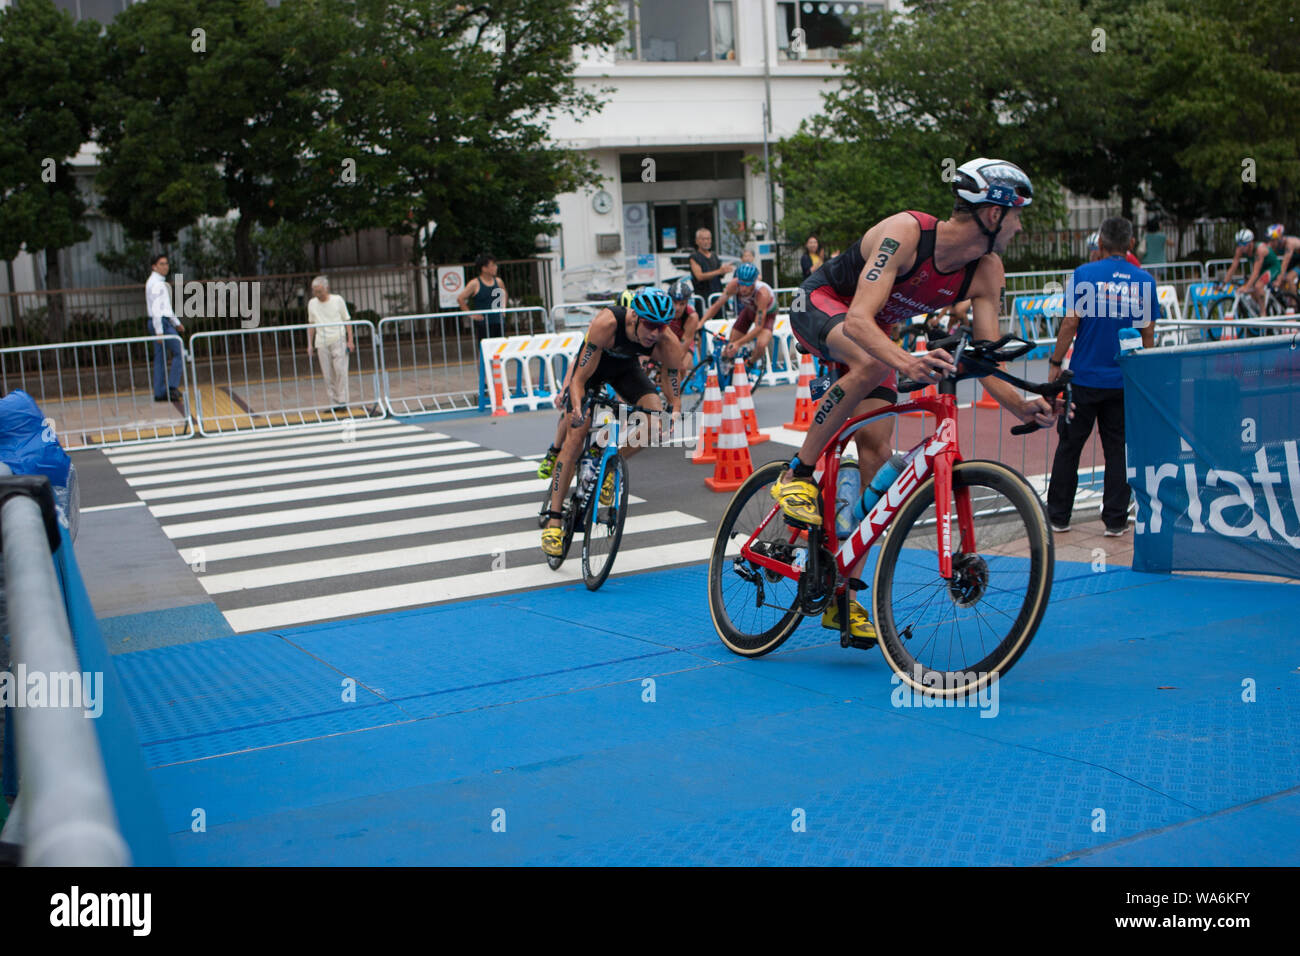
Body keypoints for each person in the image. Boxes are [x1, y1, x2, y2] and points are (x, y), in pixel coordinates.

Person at [774, 158, 1063, 642]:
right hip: (822, 304)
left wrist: (1021, 404)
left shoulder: (987, 270)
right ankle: (796, 476)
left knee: (877, 456)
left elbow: (987, 358)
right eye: (1017, 215)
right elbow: (862, 319)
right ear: (992, 215)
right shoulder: (906, 233)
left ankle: (842, 595)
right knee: (874, 363)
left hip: (874, 335)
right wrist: (907, 361)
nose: (1019, 225)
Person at [541, 288, 688, 556]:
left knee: (654, 427)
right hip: (593, 370)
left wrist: (674, 408)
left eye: (662, 327)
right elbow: (578, 379)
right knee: (574, 438)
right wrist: (577, 407)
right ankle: (553, 519)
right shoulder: (606, 323)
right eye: (650, 325)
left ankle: (610, 465)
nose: (655, 333)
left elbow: (671, 377)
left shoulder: (666, 341)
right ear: (634, 316)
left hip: (626, 371)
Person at [1046, 216, 1156, 536]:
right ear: (1131, 245)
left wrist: (1055, 362)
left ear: (1101, 245)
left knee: (1070, 446)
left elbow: (1070, 323)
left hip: (1084, 378)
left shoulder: (1084, 274)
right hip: (1123, 378)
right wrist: (1144, 373)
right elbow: (1148, 333)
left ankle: (1058, 516)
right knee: (1117, 448)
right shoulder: (1144, 282)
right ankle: (1116, 520)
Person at [701, 262, 776, 370]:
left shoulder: (762, 294)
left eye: (747, 285)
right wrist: (701, 322)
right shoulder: (733, 285)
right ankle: (727, 367)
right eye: (741, 284)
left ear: (755, 282)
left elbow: (758, 327)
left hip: (768, 315)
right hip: (749, 310)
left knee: (761, 344)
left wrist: (738, 343)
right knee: (730, 345)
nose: (743, 289)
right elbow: (717, 305)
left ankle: (750, 363)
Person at [458, 253, 509, 409]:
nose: (495, 268)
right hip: (483, 323)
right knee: (483, 353)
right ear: (484, 268)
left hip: (496, 321)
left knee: (498, 352)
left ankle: (499, 382)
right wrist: (471, 314)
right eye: (492, 265)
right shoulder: (475, 283)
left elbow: (503, 293)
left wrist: (503, 308)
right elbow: (461, 298)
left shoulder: (497, 281)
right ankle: (485, 383)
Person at [305, 275, 355, 412]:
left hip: (338, 338)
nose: (317, 294)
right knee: (327, 375)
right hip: (321, 341)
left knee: (340, 371)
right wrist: (310, 344)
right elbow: (311, 324)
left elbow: (347, 320)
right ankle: (334, 402)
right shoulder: (312, 303)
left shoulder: (337, 300)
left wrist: (350, 340)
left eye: (319, 291)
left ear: (326, 288)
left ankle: (343, 401)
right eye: (315, 291)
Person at [144, 253, 184, 403]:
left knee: (160, 357)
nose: (165, 266)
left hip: (161, 321)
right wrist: (160, 331)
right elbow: (157, 309)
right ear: (154, 267)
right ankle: (172, 387)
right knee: (179, 351)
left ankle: (160, 392)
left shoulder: (158, 282)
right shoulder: (155, 283)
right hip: (160, 322)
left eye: (166, 263)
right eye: (161, 264)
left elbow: (165, 306)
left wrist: (176, 322)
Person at [1224, 228, 1281, 312]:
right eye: (1239, 244)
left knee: (1258, 285)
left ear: (1250, 243)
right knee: (1248, 285)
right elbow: (1233, 267)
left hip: (1272, 267)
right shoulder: (1239, 249)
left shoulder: (1259, 250)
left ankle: (1263, 313)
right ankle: (1260, 303)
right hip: (1262, 268)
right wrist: (1224, 282)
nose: (1241, 247)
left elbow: (1255, 272)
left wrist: (1247, 287)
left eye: (1244, 244)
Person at [689, 228, 733, 304]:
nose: (706, 241)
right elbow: (699, 276)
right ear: (697, 241)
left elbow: (720, 274)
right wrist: (719, 271)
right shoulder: (694, 257)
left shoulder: (714, 256)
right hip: (704, 298)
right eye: (703, 239)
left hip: (718, 296)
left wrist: (724, 271)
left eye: (708, 239)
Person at [1266, 224, 1300, 293]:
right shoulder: (1278, 243)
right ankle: (1286, 299)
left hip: (1297, 261)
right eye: (1270, 240)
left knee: (1289, 278)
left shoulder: (1290, 243)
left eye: (1272, 240)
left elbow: (1285, 263)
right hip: (1296, 260)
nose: (1271, 242)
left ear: (1279, 238)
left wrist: (1279, 280)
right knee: (1281, 279)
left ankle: (1294, 303)